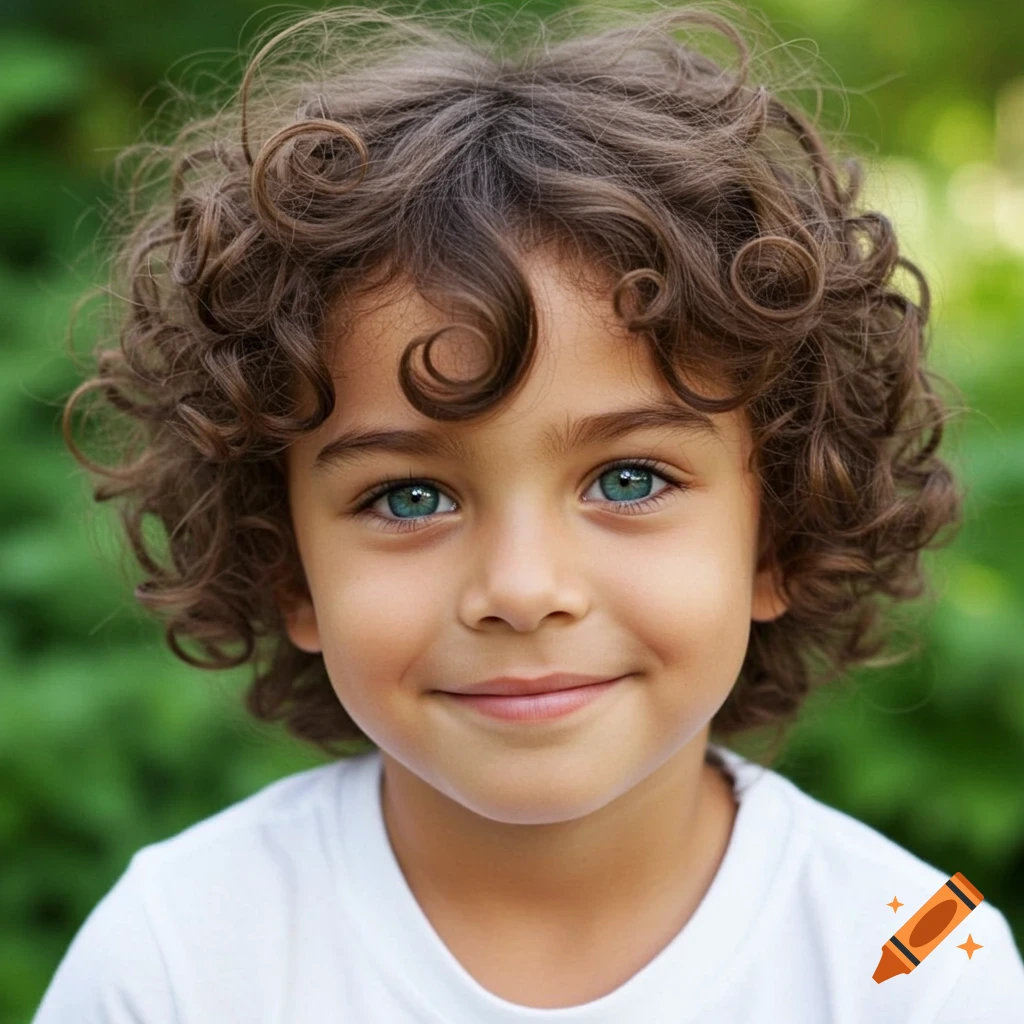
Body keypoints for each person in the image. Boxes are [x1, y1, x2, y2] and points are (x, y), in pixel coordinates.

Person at [34, 2, 1024, 1021]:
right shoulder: (180, 955)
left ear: (777, 530)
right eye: (408, 497)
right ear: (287, 565)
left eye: (629, 480)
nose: (520, 588)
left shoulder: (915, 961)